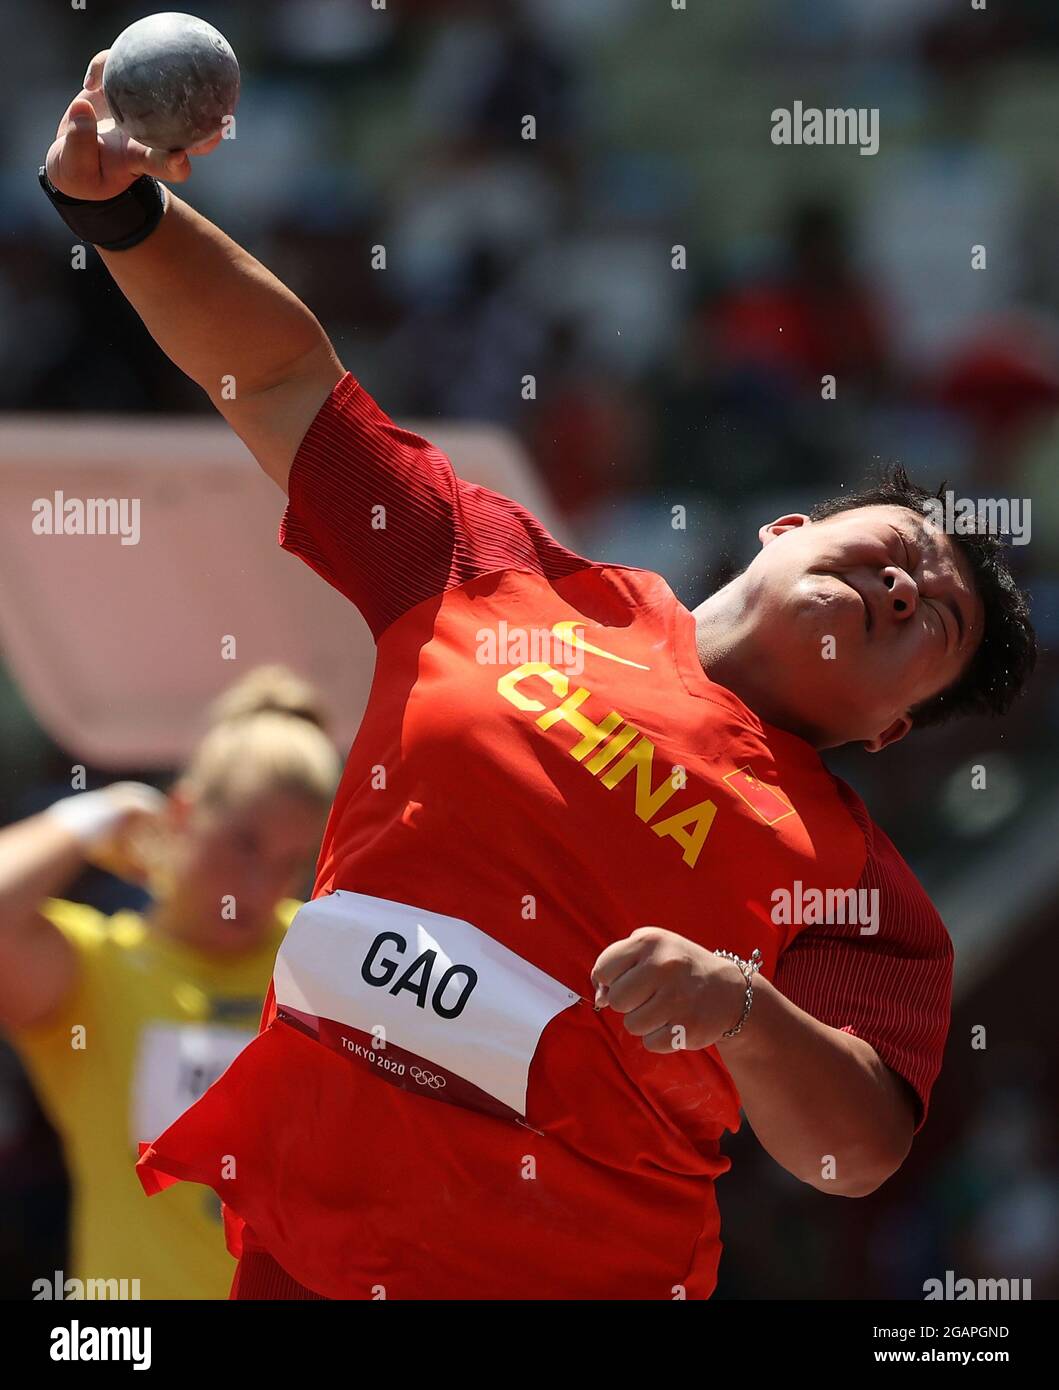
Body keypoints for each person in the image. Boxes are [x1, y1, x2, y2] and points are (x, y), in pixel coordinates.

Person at [37, 51, 1036, 1300]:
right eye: (900, 553)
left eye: (934, 621)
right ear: (789, 531)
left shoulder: (854, 886)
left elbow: (851, 1151)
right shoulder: (485, 567)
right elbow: (290, 378)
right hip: (299, 1258)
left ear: (892, 731)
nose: (906, 588)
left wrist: (741, 1008)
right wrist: (124, 215)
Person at [0, 667, 340, 1299]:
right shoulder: (96, 971)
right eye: (243, 844)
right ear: (182, 813)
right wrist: (90, 815)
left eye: (291, 863)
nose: (262, 888)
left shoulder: (319, 957)